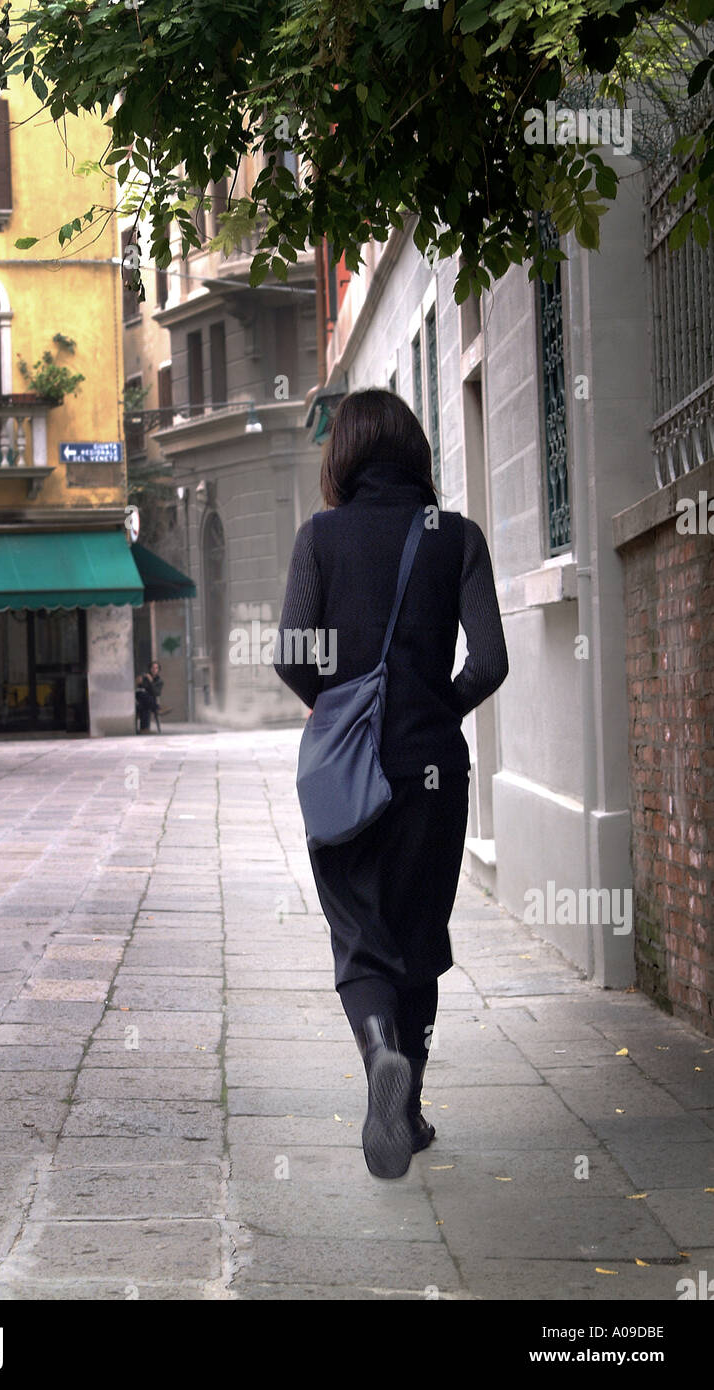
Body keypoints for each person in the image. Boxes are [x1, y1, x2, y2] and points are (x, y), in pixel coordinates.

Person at [273, 388, 508, 1180]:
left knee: (360, 935)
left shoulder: (322, 536)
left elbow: (291, 654)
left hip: (349, 772)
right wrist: (432, 708)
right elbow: (490, 663)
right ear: (417, 452)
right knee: (419, 940)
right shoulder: (458, 537)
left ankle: (379, 1055)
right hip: (434, 771)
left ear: (342, 457)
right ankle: (406, 1113)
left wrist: (339, 709)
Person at [136, 660, 163, 733]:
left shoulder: (159, 681)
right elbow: (140, 687)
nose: (154, 670)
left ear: (158, 670)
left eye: (156, 668)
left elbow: (156, 693)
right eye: (153, 668)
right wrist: (138, 681)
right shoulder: (145, 677)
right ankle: (157, 707)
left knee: (145, 706)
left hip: (148, 701)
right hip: (141, 699)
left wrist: (151, 681)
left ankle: (144, 729)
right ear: (150, 669)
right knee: (142, 693)